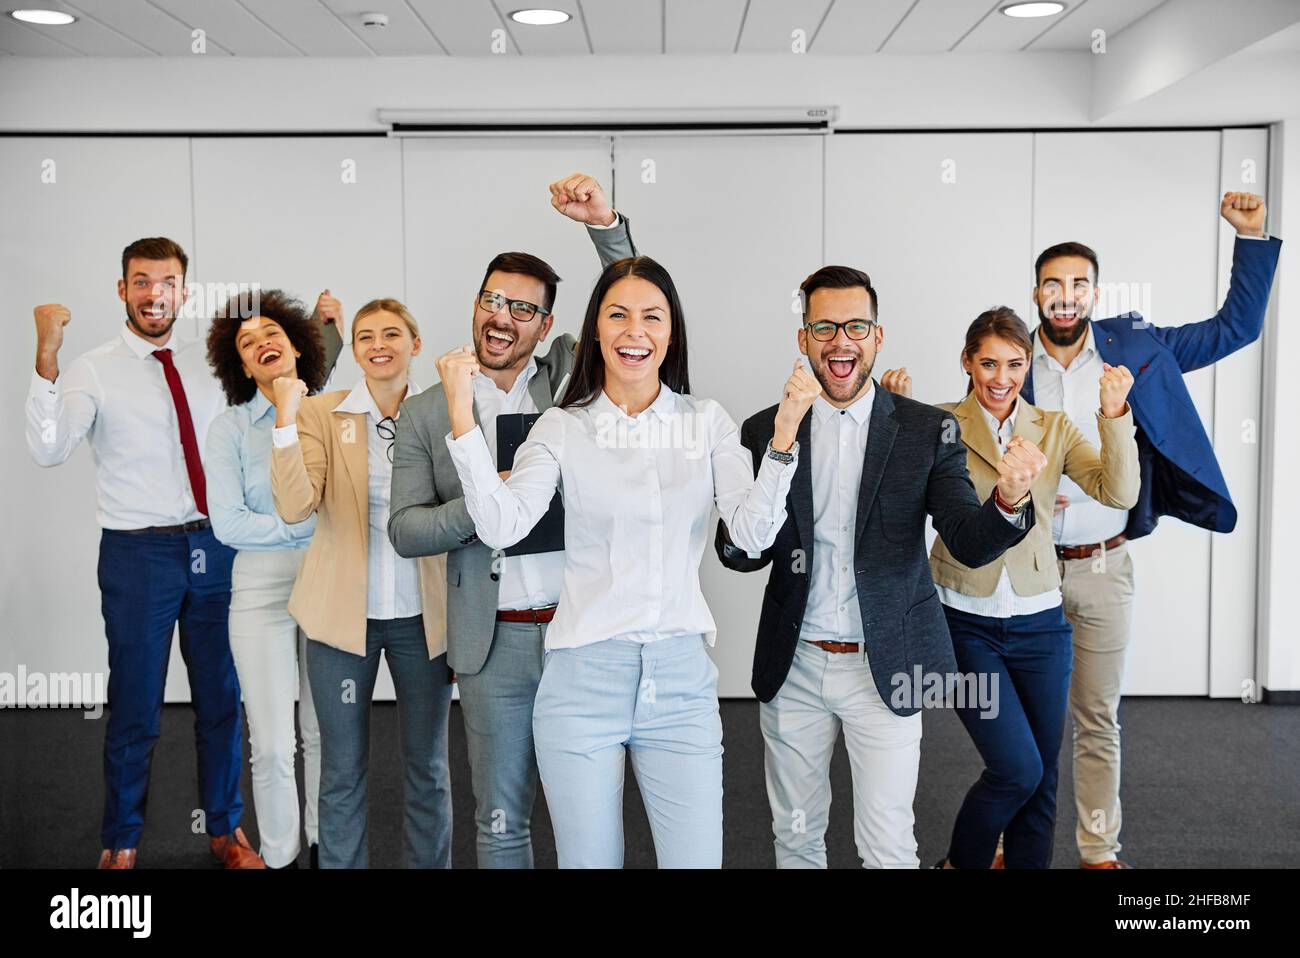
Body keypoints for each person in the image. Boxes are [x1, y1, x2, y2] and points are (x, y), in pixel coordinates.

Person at [886, 193, 1282, 869]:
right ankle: (1010, 843)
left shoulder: (1137, 349)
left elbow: (1233, 329)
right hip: (1012, 576)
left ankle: (1099, 850)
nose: (1065, 296)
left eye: (1078, 284)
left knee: (1096, 720)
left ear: (1094, 292)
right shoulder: (1007, 362)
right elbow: (952, 444)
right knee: (1022, 747)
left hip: (1100, 566)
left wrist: (1251, 237)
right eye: (1053, 284)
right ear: (1036, 294)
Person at [439, 255, 815, 868]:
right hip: (582, 677)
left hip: (680, 679)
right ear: (595, 331)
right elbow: (502, 524)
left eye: (651, 317)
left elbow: (750, 534)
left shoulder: (706, 422)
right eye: (617, 315)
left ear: (671, 333)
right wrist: (462, 415)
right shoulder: (562, 427)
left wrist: (784, 436)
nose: (634, 331)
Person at [24, 237, 336, 869]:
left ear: (183, 293)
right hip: (138, 554)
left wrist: (324, 331)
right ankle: (122, 841)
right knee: (136, 705)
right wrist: (47, 356)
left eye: (166, 282)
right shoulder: (91, 368)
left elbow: (284, 386)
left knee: (222, 698)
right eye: (141, 282)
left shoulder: (211, 362)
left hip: (217, 546)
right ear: (122, 291)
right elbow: (49, 449)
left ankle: (225, 830)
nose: (154, 294)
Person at [713, 266, 1039, 868]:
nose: (841, 341)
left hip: (886, 663)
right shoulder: (764, 428)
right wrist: (781, 445)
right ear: (804, 337)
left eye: (856, 326)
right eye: (825, 326)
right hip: (797, 664)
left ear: (878, 335)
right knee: (796, 838)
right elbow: (738, 554)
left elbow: (966, 539)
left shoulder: (924, 429)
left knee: (888, 845)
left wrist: (1010, 501)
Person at [388, 172, 636, 867]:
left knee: (591, 818)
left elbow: (632, 303)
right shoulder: (428, 409)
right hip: (492, 645)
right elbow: (406, 530)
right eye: (493, 301)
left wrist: (603, 223)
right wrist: (488, 503)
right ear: (475, 306)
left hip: (582, 632)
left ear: (547, 326)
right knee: (501, 819)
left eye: (523, 309)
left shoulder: (572, 379)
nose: (503, 318)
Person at [884, 305, 1139, 869]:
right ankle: (961, 863)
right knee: (1016, 768)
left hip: (1041, 625)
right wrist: (891, 411)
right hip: (964, 622)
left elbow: (1119, 492)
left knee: (1042, 779)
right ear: (967, 363)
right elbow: (889, 494)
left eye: (1015, 364)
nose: (1002, 378)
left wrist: (1114, 413)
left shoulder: (1053, 428)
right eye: (989, 364)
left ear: (1028, 365)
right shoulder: (939, 422)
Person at [270, 298, 450, 869]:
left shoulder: (444, 412)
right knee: (342, 768)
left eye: (392, 333)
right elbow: (297, 505)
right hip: (341, 621)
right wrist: (282, 420)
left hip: (424, 618)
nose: (378, 344)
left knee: (429, 766)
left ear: (414, 345)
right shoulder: (322, 413)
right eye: (366, 335)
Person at [205, 288, 341, 869]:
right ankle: (279, 855)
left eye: (272, 335)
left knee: (323, 734)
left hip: (328, 584)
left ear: (297, 345)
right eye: (247, 341)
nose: (262, 344)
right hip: (258, 592)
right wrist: (302, 526)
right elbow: (228, 523)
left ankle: (321, 846)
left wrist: (309, 531)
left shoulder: (335, 411)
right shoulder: (230, 428)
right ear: (239, 364)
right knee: (272, 743)